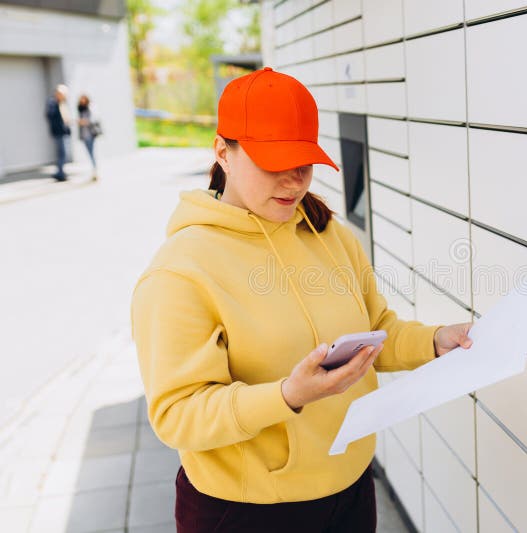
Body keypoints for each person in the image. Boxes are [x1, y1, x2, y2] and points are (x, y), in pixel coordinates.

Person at [130, 67, 473, 533]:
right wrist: (288, 396)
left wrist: (435, 341)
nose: (294, 182)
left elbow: (377, 333)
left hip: (350, 491)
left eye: (304, 163)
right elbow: (178, 415)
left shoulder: (330, 234)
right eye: (274, 162)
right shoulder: (180, 271)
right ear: (223, 152)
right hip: (246, 511)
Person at [45, 84, 71, 181]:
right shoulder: (52, 102)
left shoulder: (63, 103)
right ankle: (60, 173)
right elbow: (49, 115)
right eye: (62, 94)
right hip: (58, 132)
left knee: (64, 153)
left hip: (65, 131)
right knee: (62, 153)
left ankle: (60, 172)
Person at [77, 94, 99, 181]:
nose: (82, 101)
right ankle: (94, 170)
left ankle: (95, 170)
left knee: (91, 153)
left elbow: (93, 119)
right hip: (84, 135)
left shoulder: (90, 108)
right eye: (81, 99)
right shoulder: (80, 109)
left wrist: (85, 121)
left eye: (83, 99)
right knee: (90, 153)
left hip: (91, 134)